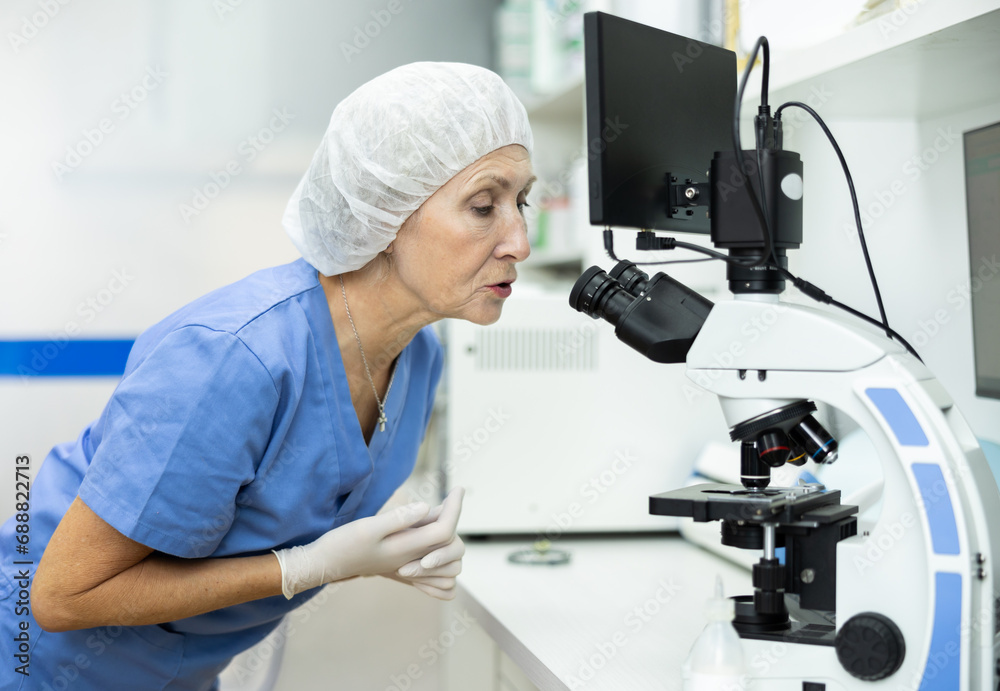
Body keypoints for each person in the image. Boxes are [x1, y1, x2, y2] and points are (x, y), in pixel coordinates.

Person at [0, 61, 535, 690]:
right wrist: (306, 567)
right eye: (483, 206)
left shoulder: (420, 357)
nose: (520, 241)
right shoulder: (234, 357)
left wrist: (386, 552)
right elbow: (63, 597)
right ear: (389, 213)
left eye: (520, 202)